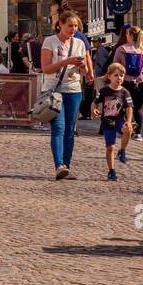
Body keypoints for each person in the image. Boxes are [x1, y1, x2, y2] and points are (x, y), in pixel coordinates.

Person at [41, 12, 89, 179]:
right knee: (59, 127)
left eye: (76, 26)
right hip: (55, 90)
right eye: (70, 25)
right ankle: (59, 165)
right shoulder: (50, 41)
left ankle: (66, 166)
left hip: (74, 90)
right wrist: (66, 61)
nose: (73, 29)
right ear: (60, 24)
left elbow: (85, 72)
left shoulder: (80, 43)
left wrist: (82, 66)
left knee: (70, 129)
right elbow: (46, 68)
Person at [112, 26, 143, 139]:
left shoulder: (121, 49)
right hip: (142, 81)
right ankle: (138, 133)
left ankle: (126, 128)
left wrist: (113, 80)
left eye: (128, 34)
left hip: (126, 81)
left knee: (124, 106)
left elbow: (115, 66)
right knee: (138, 107)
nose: (126, 36)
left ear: (131, 36)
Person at [91, 61, 133, 180]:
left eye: (121, 75)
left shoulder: (125, 92)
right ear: (109, 76)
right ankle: (111, 171)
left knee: (128, 130)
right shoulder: (104, 91)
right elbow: (94, 103)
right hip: (108, 122)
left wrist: (129, 121)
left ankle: (122, 150)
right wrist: (93, 110)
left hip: (120, 120)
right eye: (116, 75)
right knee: (110, 147)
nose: (119, 78)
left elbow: (129, 108)